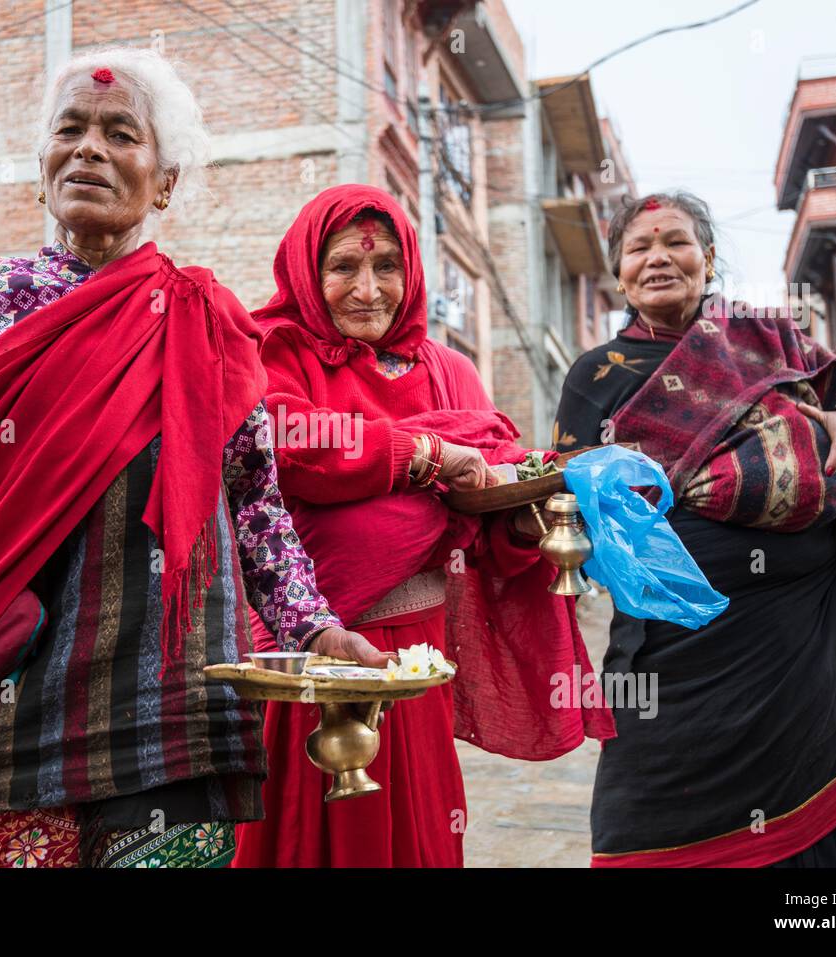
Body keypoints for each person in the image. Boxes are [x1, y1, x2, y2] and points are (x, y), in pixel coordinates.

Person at [0, 47, 385, 869]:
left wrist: (318, 629)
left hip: (166, 706)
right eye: (68, 130)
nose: (88, 149)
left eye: (120, 134)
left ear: (165, 180)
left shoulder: (208, 327)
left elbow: (257, 515)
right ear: (40, 168)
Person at [231, 184, 613, 868]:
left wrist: (534, 512)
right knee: (308, 839)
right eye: (343, 266)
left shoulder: (449, 372)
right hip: (309, 652)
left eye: (386, 269)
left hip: (414, 662)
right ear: (306, 273)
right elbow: (294, 450)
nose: (368, 289)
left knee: (419, 836)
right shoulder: (274, 352)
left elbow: (487, 520)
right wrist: (426, 452)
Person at [554, 191, 836, 867]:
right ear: (619, 273)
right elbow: (577, 508)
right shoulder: (594, 377)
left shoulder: (769, 338)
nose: (659, 256)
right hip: (672, 659)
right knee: (644, 827)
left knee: (814, 839)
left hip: (799, 654)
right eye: (639, 247)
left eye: (677, 241)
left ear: (708, 257)